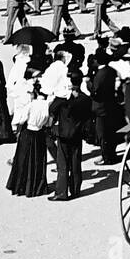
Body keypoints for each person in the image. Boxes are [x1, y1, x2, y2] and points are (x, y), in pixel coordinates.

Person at [48, 69, 92, 200]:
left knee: (62, 164)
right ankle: (75, 189)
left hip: (63, 134)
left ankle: (61, 192)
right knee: (75, 162)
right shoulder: (85, 99)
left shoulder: (63, 99)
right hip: (77, 134)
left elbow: (51, 110)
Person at [6, 78, 51, 198]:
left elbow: (20, 120)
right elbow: (48, 123)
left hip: (28, 133)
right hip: (39, 134)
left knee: (23, 160)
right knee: (38, 160)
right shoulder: (47, 105)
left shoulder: (31, 105)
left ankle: (22, 186)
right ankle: (37, 186)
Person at [91, 58, 121, 164]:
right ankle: (111, 154)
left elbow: (95, 92)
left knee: (102, 134)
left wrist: (89, 86)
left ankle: (106, 157)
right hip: (110, 105)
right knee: (110, 132)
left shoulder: (99, 75)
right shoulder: (111, 70)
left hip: (101, 107)